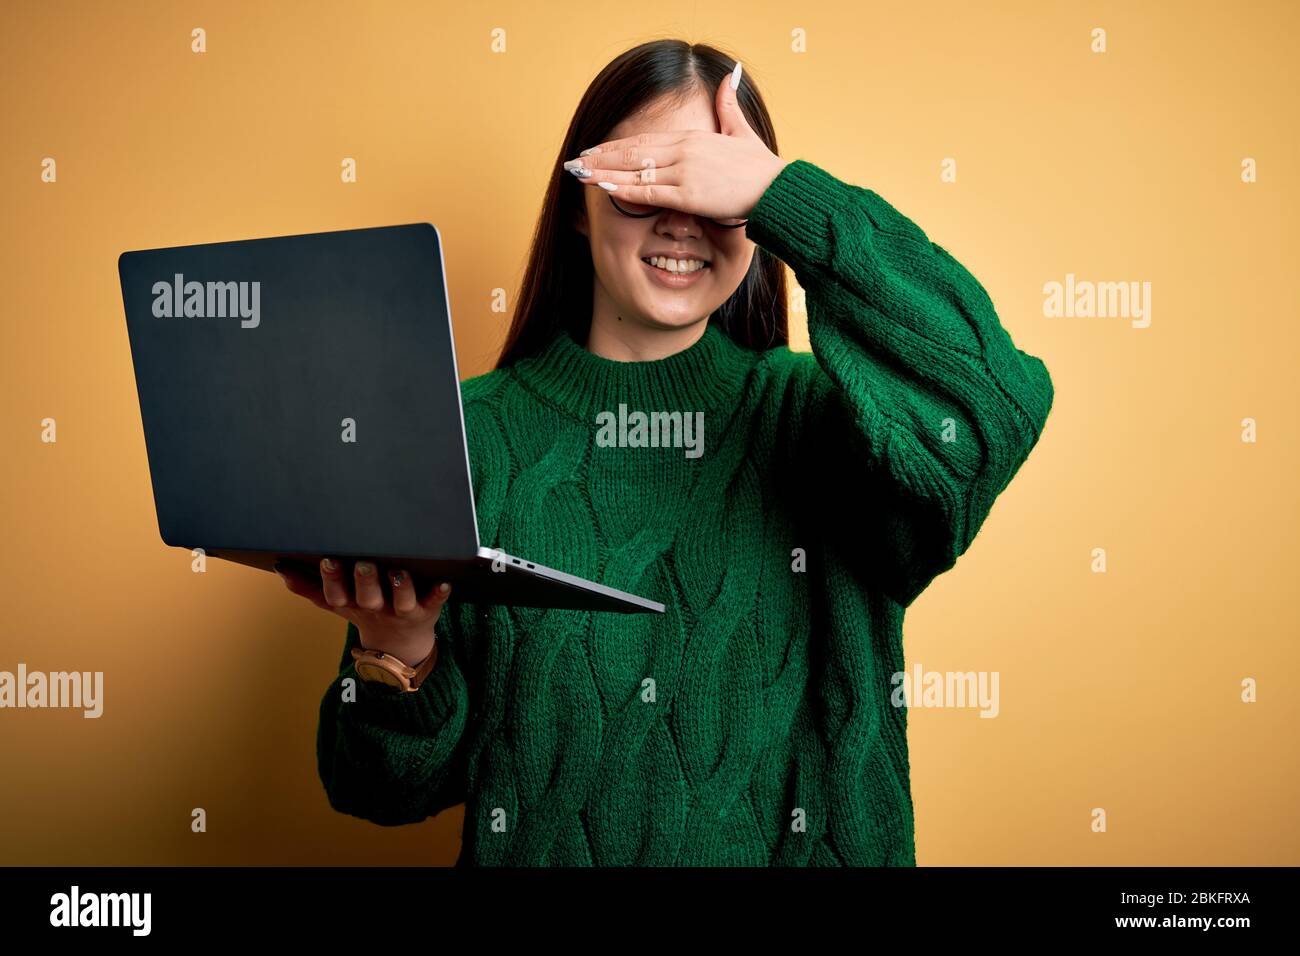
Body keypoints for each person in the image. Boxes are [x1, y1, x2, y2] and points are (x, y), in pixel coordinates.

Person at [277, 39, 1054, 866]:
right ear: (579, 202)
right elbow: (378, 795)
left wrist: (788, 196)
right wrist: (397, 650)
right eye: (648, 178)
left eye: (715, 188)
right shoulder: (462, 435)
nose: (682, 218)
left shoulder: (825, 426)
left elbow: (995, 401)